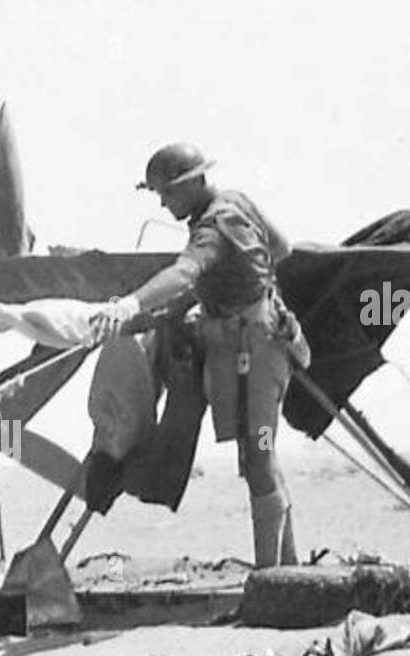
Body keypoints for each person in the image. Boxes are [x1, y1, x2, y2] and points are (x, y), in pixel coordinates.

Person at [86, 142, 311, 568]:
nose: (163, 202)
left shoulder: (214, 225)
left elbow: (187, 269)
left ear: (193, 183)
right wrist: (235, 285)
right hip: (255, 342)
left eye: (166, 193)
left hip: (255, 353)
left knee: (260, 456)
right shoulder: (237, 204)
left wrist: (131, 304)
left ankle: (271, 578)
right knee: (259, 455)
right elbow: (280, 249)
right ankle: (286, 572)